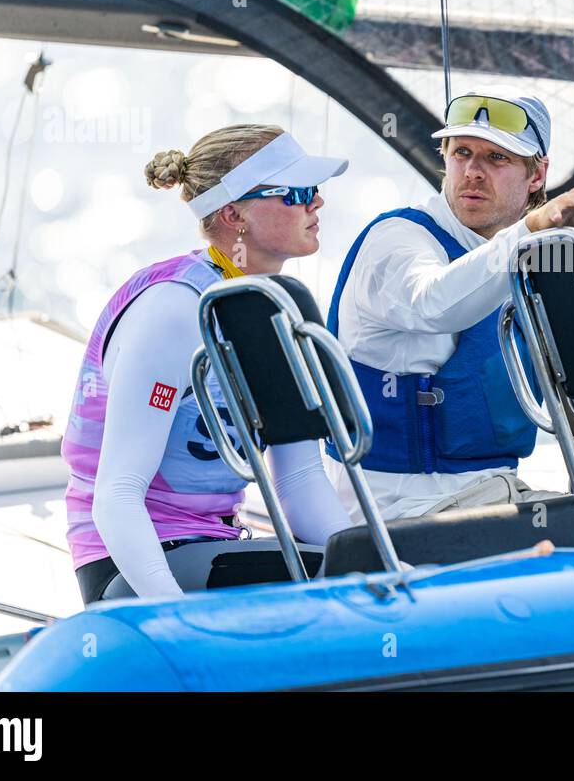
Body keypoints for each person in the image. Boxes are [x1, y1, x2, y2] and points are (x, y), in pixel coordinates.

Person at [63, 124, 355, 604]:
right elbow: (116, 496)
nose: (316, 203)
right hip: (130, 566)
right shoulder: (174, 311)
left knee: (362, 571)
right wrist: (173, 613)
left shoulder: (272, 307)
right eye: (298, 192)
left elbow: (299, 479)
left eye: (316, 191)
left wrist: (380, 567)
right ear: (233, 213)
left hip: (209, 547)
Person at [325, 87, 574, 520]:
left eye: (497, 158)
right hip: (400, 510)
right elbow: (434, 302)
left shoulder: (531, 255)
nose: (472, 171)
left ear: (537, 175)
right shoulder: (397, 239)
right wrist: (534, 225)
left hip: (491, 493)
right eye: (461, 152)